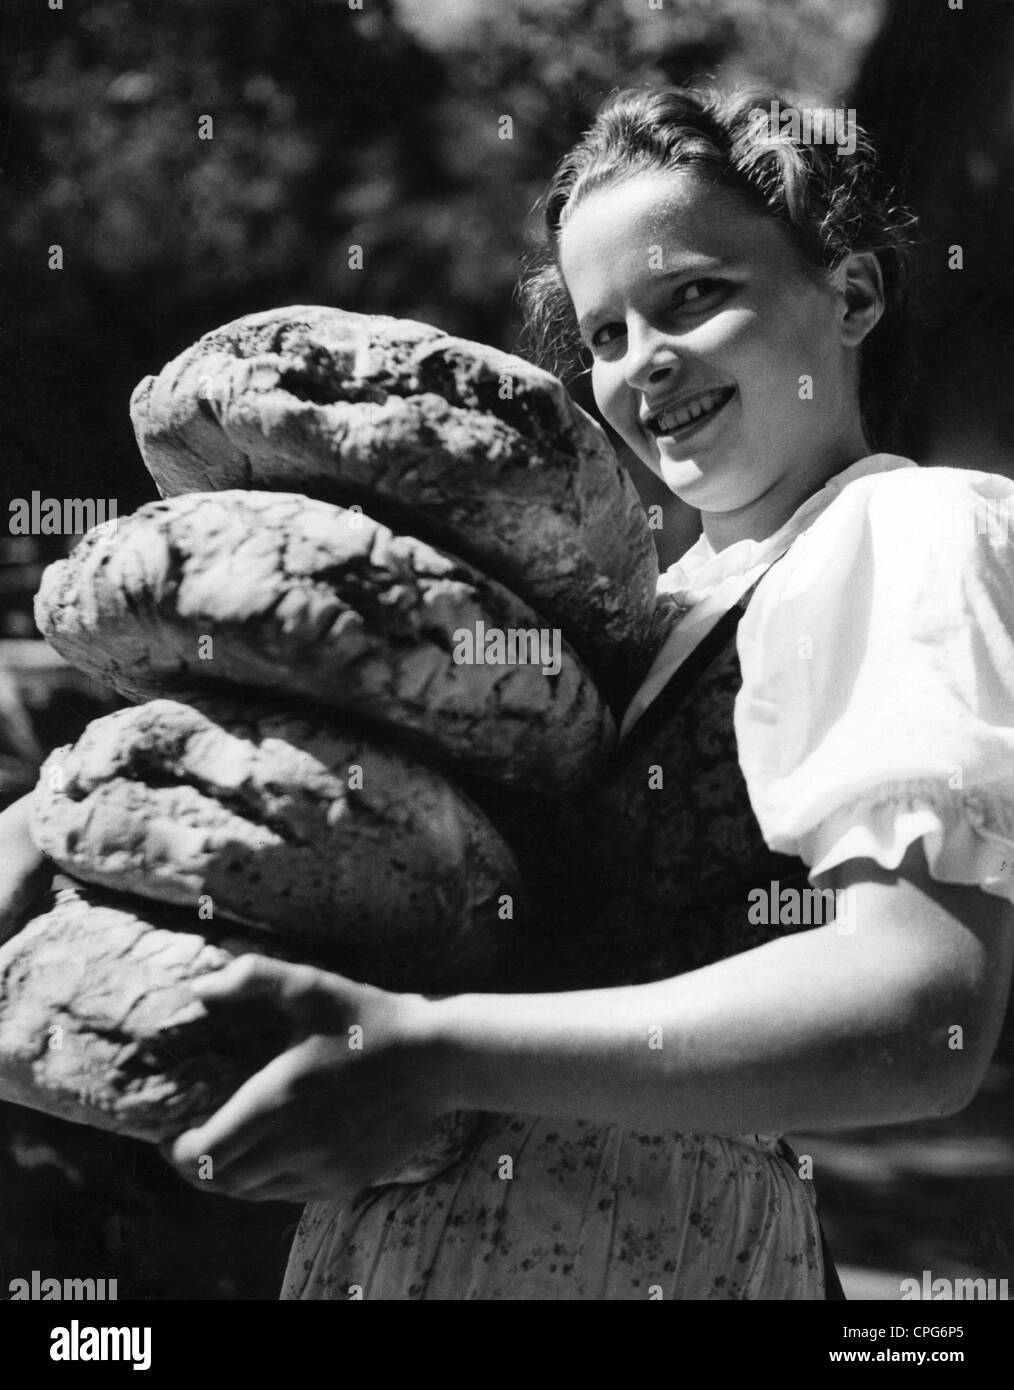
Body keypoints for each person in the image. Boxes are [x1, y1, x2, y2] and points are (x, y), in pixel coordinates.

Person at [5, 85, 1014, 1300]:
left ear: (849, 295)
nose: (647, 363)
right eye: (605, 334)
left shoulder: (907, 530)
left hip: (650, 1244)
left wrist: (430, 1055)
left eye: (696, 294)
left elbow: (916, 1013)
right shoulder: (616, 615)